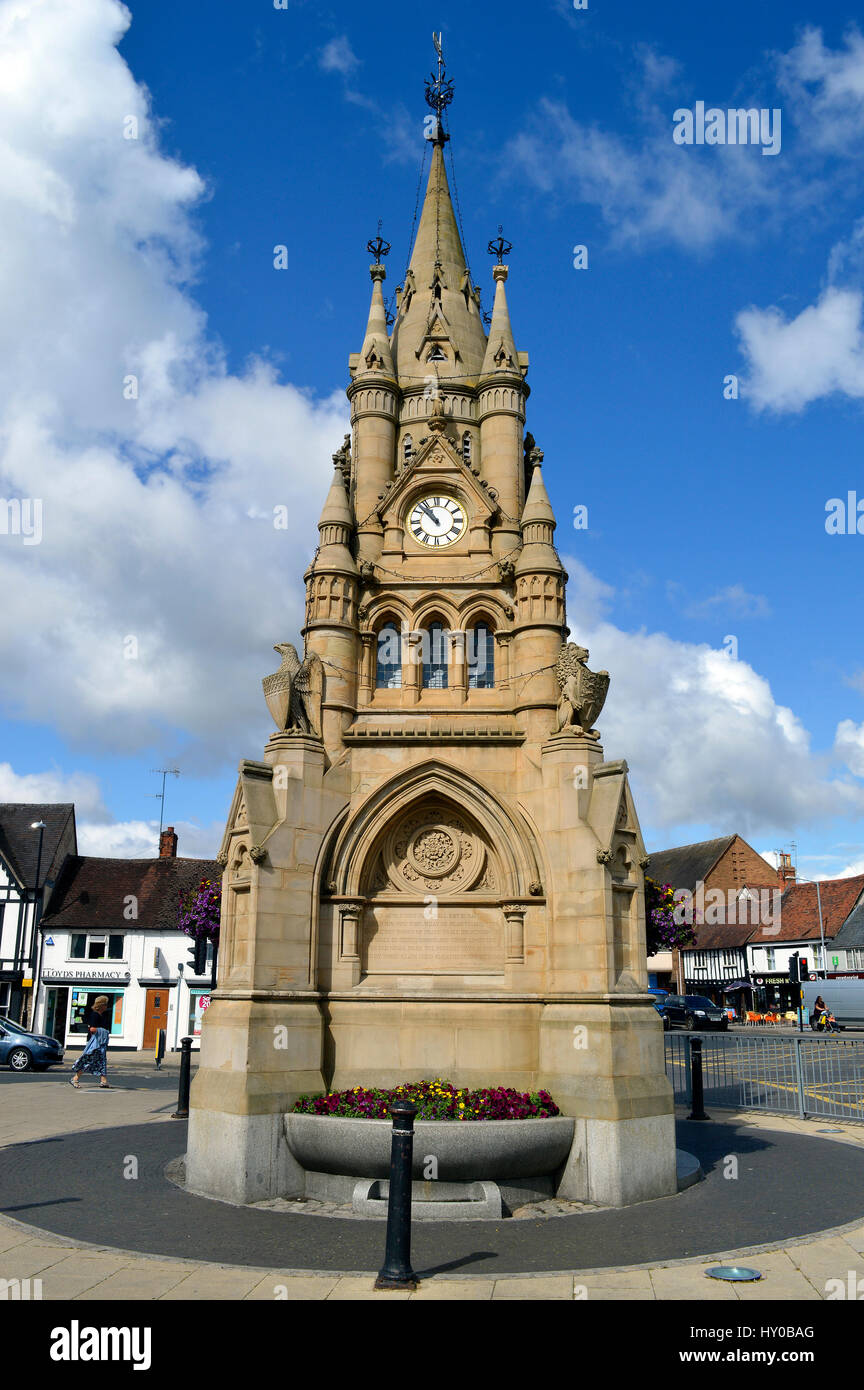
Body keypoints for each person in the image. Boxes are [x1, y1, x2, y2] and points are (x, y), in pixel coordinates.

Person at [69, 995, 112, 1089]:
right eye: (105, 1004)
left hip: (101, 1043)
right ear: (101, 1005)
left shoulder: (103, 1015)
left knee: (102, 1061)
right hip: (95, 1043)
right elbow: (92, 1029)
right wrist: (104, 1031)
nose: (106, 1006)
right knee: (89, 1060)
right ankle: (75, 1078)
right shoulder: (94, 1015)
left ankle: (103, 1081)